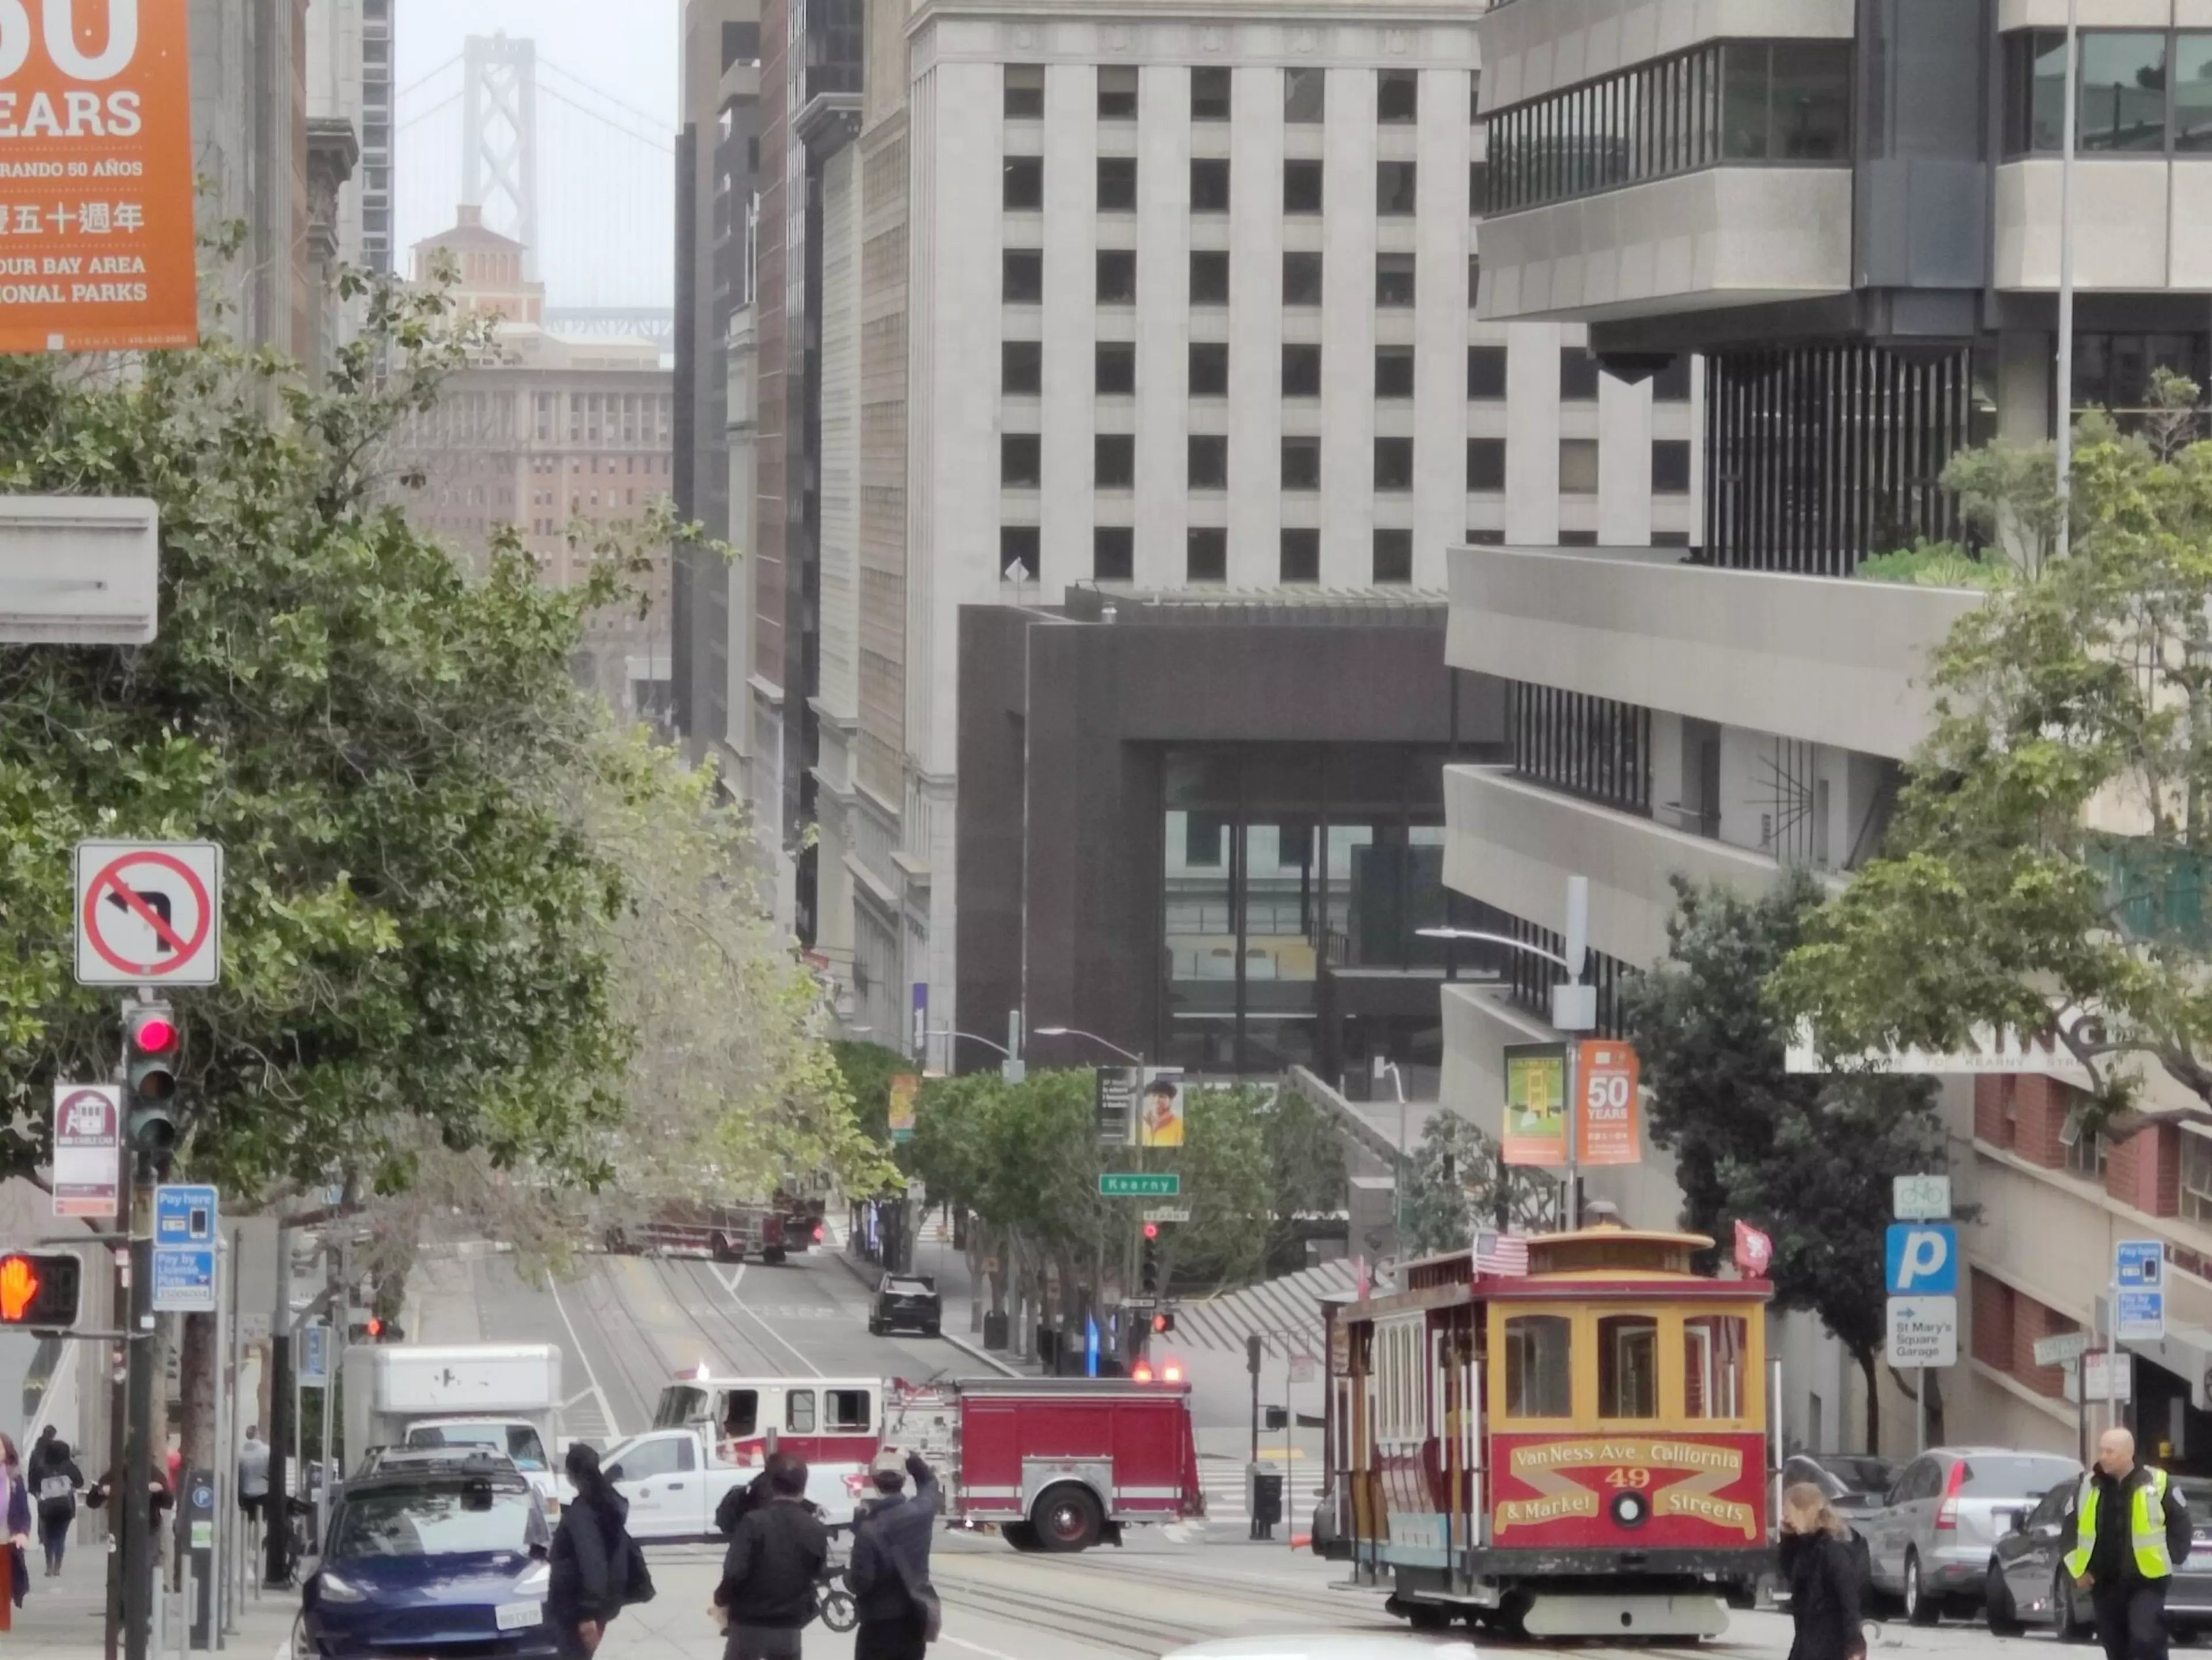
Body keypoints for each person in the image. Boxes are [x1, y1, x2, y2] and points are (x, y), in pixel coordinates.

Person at [2066, 1427, 2193, 1660]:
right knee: (2114, 1643)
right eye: (2101, 1451)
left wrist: (2173, 1556)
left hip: (2147, 1580)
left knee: (2145, 1637)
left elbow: (2182, 1522)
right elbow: (2069, 1531)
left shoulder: (2158, 1483)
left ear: (2128, 1453)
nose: (2103, 1456)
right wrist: (2078, 1570)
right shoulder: (2089, 1486)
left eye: (2110, 1451)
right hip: (2104, 1582)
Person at [714, 1452, 828, 1660]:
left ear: (772, 1484)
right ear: (803, 1486)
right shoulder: (816, 1529)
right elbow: (818, 1572)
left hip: (749, 1627)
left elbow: (735, 1572)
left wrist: (721, 1599)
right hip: (789, 1629)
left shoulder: (754, 1523)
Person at [548, 1443, 644, 1660]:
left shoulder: (583, 1512)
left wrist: (587, 1614)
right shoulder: (605, 1503)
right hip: (597, 1606)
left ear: (571, 1473)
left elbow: (592, 1562)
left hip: (578, 1610)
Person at [846, 1449, 941, 1660]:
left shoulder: (869, 1529)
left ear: (875, 1481)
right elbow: (930, 1484)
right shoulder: (921, 1513)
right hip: (915, 1620)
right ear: (903, 1479)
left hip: (878, 1625)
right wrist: (911, 1458)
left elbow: (861, 1582)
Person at [1778, 1481, 1863, 1660]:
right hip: (1806, 1641)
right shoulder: (1804, 1547)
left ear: (1804, 1510)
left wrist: (1855, 1644)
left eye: (1788, 1510)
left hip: (1830, 1645)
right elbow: (1788, 1572)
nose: (1785, 1516)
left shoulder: (1832, 1549)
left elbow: (1848, 1599)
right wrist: (1787, 1537)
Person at [32, 1439, 82, 1576]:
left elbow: (34, 1485)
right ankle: (57, 1567)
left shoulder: (42, 1467)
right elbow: (80, 1482)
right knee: (61, 1537)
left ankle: (49, 1565)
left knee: (48, 1537)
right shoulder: (69, 1466)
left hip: (46, 1507)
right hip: (65, 1506)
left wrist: (38, 1495)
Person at [237, 1427, 270, 1535]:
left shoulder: (241, 1454)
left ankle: (250, 1545)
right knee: (264, 1522)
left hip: (246, 1495)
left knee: (250, 1522)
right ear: (257, 1434)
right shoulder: (266, 1451)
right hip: (263, 1494)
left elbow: (239, 1476)